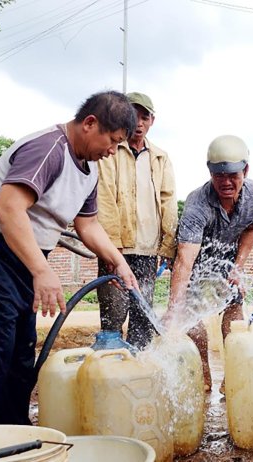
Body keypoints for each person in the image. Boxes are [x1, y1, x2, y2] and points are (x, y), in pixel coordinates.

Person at [0, 91, 139, 426]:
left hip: (23, 257)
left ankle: (13, 436)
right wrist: (42, 269)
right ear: (90, 123)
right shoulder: (49, 148)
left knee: (19, 357)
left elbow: (88, 224)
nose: (111, 151)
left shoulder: (90, 170)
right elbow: (8, 208)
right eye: (112, 141)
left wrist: (118, 262)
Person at [162, 135, 253, 392]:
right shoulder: (197, 203)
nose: (226, 182)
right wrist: (175, 306)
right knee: (191, 317)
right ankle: (204, 375)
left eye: (233, 175)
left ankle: (232, 376)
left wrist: (238, 268)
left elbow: (251, 228)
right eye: (219, 175)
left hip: (229, 258)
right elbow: (185, 259)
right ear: (210, 172)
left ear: (246, 170)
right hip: (198, 260)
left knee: (234, 313)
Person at [95, 92, 177, 350]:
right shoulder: (110, 151)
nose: (139, 123)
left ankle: (139, 372)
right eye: (133, 116)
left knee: (143, 316)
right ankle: (112, 369)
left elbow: (168, 200)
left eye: (145, 117)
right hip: (116, 248)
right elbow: (104, 196)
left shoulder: (160, 157)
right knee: (113, 316)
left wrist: (167, 245)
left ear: (152, 120)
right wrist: (111, 248)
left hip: (147, 249)